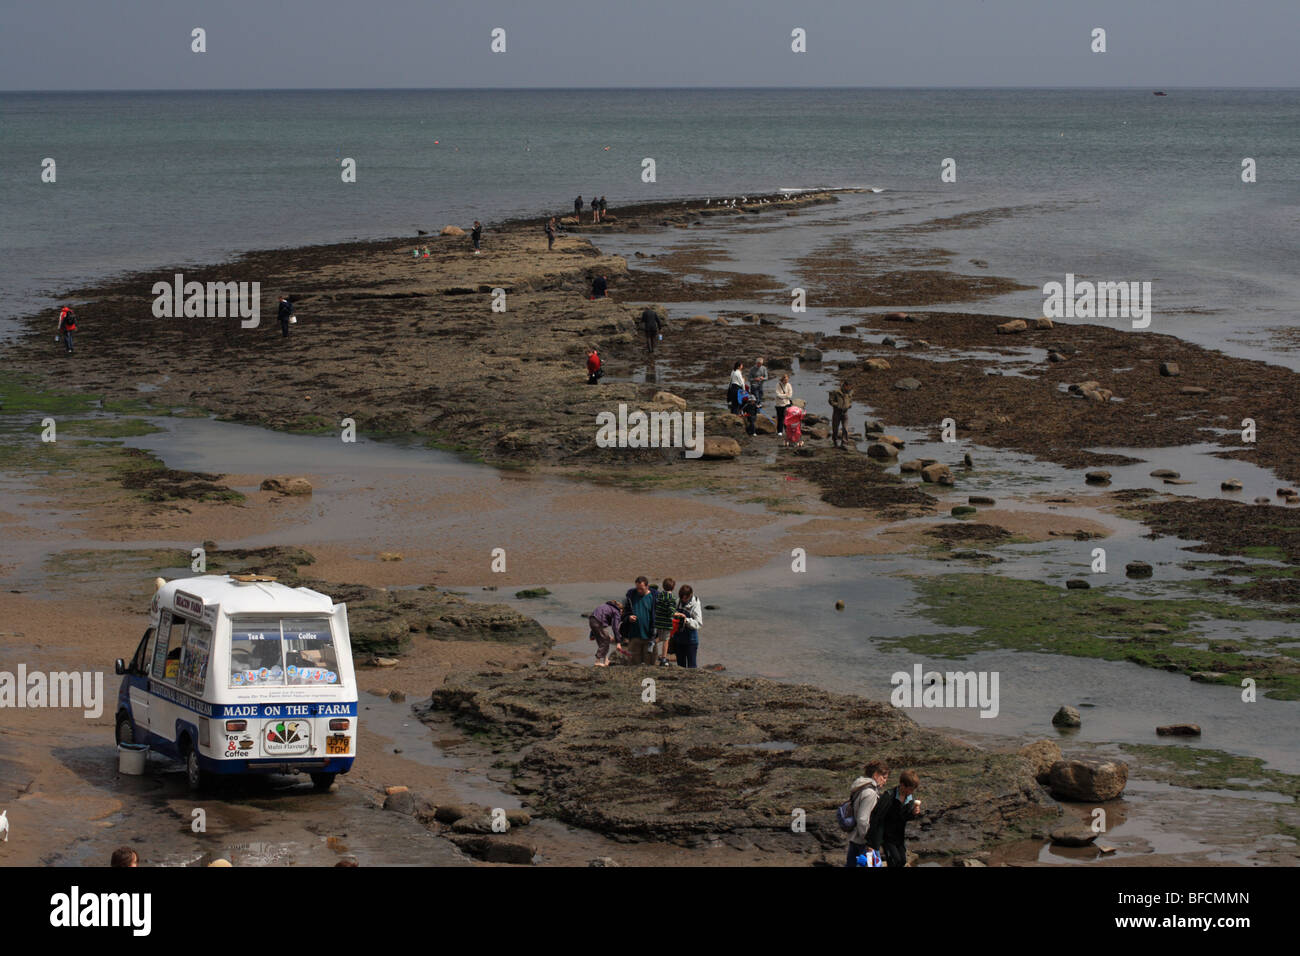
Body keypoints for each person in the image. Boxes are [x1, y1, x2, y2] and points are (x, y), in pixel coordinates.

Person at [866, 769, 922, 867]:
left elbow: (905, 817)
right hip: (886, 837)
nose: (912, 792)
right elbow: (876, 818)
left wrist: (913, 813)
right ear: (902, 785)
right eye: (910, 789)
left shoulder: (909, 798)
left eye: (913, 789)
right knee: (895, 861)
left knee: (902, 861)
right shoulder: (888, 796)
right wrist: (872, 843)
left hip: (899, 837)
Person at [844, 760, 889, 867]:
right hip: (865, 842)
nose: (885, 781)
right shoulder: (870, 793)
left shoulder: (860, 787)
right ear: (876, 775)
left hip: (855, 839)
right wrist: (870, 842)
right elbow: (863, 819)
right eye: (884, 777)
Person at [621, 577, 657, 665]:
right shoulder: (631, 596)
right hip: (634, 636)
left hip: (650, 637)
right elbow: (623, 614)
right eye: (637, 588)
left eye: (641, 589)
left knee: (650, 664)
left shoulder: (654, 598)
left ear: (647, 586)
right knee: (633, 664)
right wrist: (629, 618)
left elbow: (659, 616)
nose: (639, 591)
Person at [672, 585, 702, 668]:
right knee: (680, 666)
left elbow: (698, 623)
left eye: (686, 598)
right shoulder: (678, 602)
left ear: (690, 595)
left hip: (691, 641)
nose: (684, 600)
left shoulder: (695, 604)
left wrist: (687, 621)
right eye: (682, 598)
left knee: (692, 667)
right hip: (678, 639)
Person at [588, 599, 623, 667]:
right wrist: (618, 642)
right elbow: (615, 627)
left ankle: (606, 660)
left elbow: (597, 617)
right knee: (605, 640)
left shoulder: (606, 606)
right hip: (598, 622)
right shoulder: (616, 611)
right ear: (620, 609)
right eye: (622, 611)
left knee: (603, 641)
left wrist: (592, 634)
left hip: (591, 620)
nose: (621, 614)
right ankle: (597, 662)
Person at [652, 577, 678, 664]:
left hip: (658, 621)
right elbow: (671, 611)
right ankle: (663, 658)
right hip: (666, 622)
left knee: (661, 637)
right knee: (666, 639)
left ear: (663, 586)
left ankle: (652, 642)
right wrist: (678, 614)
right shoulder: (671, 597)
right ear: (673, 587)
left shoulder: (659, 595)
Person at [829, 382, 854, 449]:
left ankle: (844, 443)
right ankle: (835, 442)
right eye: (848, 386)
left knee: (845, 428)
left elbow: (850, 400)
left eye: (850, 386)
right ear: (844, 386)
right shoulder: (836, 392)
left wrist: (849, 405)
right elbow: (830, 401)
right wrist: (837, 405)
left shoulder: (850, 393)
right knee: (835, 428)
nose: (849, 388)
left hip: (845, 413)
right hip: (837, 412)